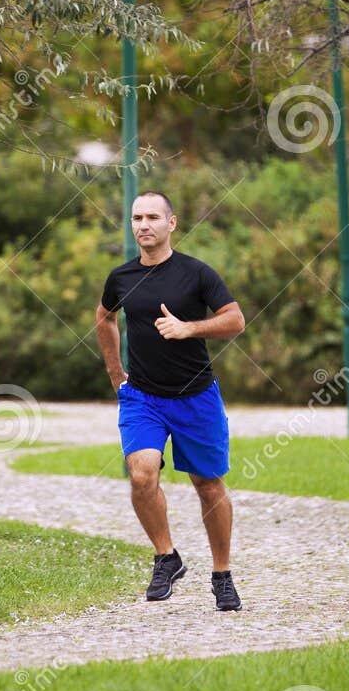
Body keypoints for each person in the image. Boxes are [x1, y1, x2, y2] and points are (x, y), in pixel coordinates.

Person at [95, 191, 246, 612]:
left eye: (152, 218)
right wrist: (115, 373)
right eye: (136, 218)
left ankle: (222, 575)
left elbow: (235, 320)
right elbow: (104, 318)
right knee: (142, 475)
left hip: (196, 397)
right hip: (142, 396)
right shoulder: (121, 278)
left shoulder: (196, 274)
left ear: (171, 223)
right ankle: (167, 556)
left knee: (208, 484)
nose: (144, 225)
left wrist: (188, 329)